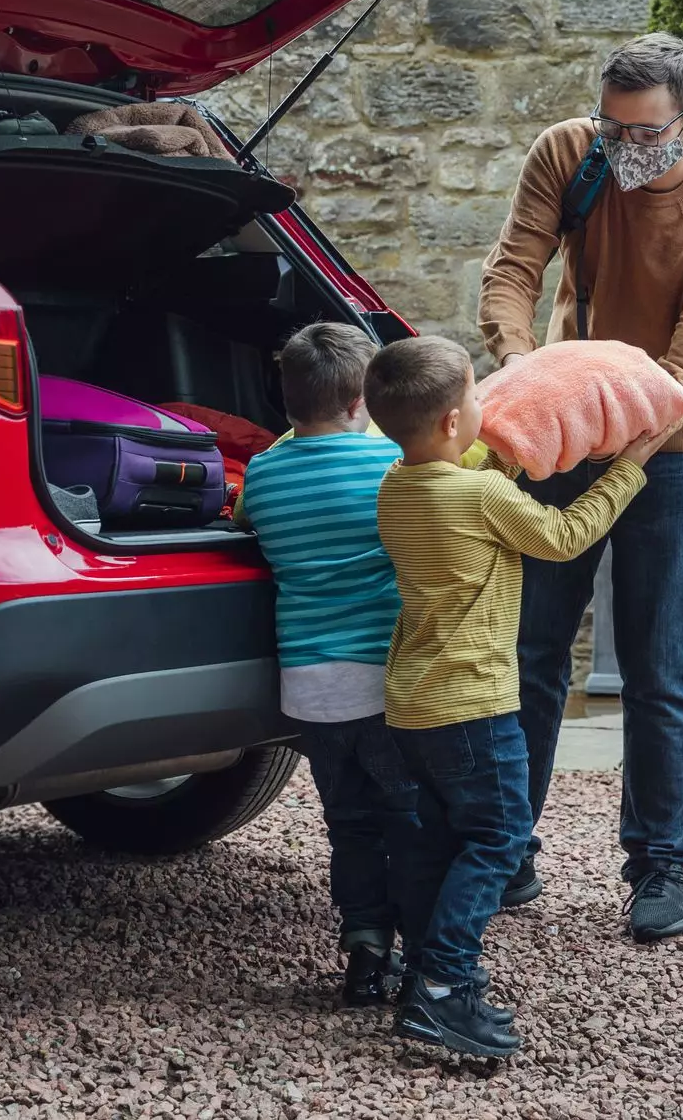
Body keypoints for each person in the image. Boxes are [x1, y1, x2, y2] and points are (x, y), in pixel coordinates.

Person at [478, 32, 683, 943]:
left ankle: (659, 866)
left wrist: (609, 456)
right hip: (562, 428)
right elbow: (513, 270)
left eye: (643, 133)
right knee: (528, 648)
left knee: (657, 668)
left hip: (673, 448)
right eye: (609, 126)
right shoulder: (570, 154)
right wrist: (527, 380)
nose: (621, 148)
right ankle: (502, 849)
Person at [365, 336, 678, 1057]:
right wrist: (627, 469)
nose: (483, 407)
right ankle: (446, 984)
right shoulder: (480, 493)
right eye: (476, 397)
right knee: (499, 839)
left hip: (411, 702)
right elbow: (566, 536)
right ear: (451, 422)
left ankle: (419, 979)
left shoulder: (395, 485)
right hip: (473, 705)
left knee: (430, 842)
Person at [233, 322, 419, 1007]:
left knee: (349, 822)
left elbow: (246, 520)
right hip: (382, 679)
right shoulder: (388, 469)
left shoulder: (264, 471)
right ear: (358, 403)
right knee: (409, 818)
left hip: (310, 688)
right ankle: (425, 956)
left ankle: (365, 951)